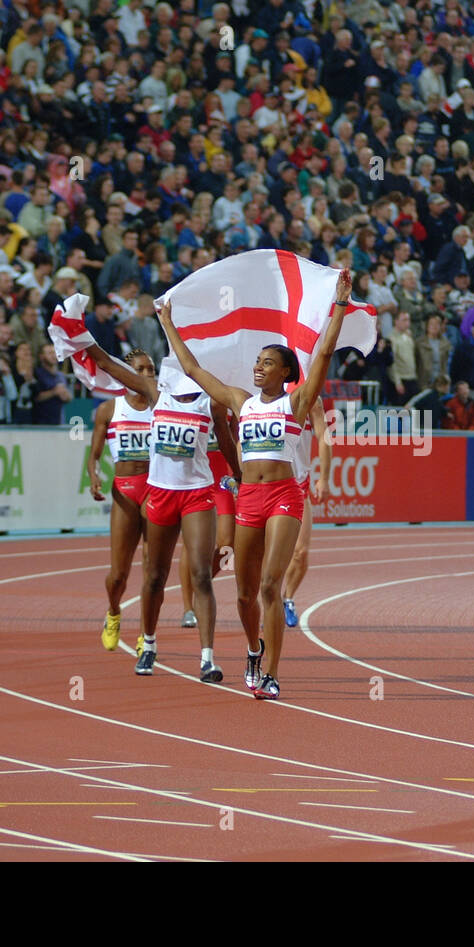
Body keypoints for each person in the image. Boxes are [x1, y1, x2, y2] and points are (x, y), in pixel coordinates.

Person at [155, 270, 355, 700]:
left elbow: (321, 355)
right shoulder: (239, 401)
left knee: (269, 586)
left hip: (285, 497)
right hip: (249, 497)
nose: (257, 368)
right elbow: (191, 367)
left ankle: (273, 673)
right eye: (257, 362)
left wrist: (339, 305)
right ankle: (252, 649)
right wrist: (167, 322)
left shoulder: (297, 402)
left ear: (285, 372)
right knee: (244, 594)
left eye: (267, 363)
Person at [81, 344, 240, 682]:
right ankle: (149, 644)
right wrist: (80, 336)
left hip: (197, 492)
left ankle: (208, 659)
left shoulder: (209, 402)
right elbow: (106, 362)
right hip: (159, 492)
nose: (154, 375)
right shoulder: (156, 395)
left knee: (201, 573)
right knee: (154, 575)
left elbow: (226, 442)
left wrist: (241, 477)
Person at [87, 349, 156, 653]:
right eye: (141, 369)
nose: (148, 375)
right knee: (119, 574)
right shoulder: (109, 410)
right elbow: (93, 454)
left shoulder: (162, 407)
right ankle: (114, 612)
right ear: (125, 374)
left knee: (153, 570)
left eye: (151, 370)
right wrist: (94, 476)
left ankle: (146, 634)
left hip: (157, 490)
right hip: (125, 490)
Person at [178, 405, 241, 629]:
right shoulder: (190, 399)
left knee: (227, 544)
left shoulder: (226, 400)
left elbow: (236, 440)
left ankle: (201, 584)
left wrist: (239, 473)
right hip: (195, 478)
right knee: (190, 545)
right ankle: (188, 608)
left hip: (220, 480)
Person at [283, 396, 332, 628]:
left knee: (300, 552)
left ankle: (287, 598)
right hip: (267, 486)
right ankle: (266, 603)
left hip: (299, 485)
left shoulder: (311, 399)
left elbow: (323, 436)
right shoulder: (260, 396)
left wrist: (324, 478)